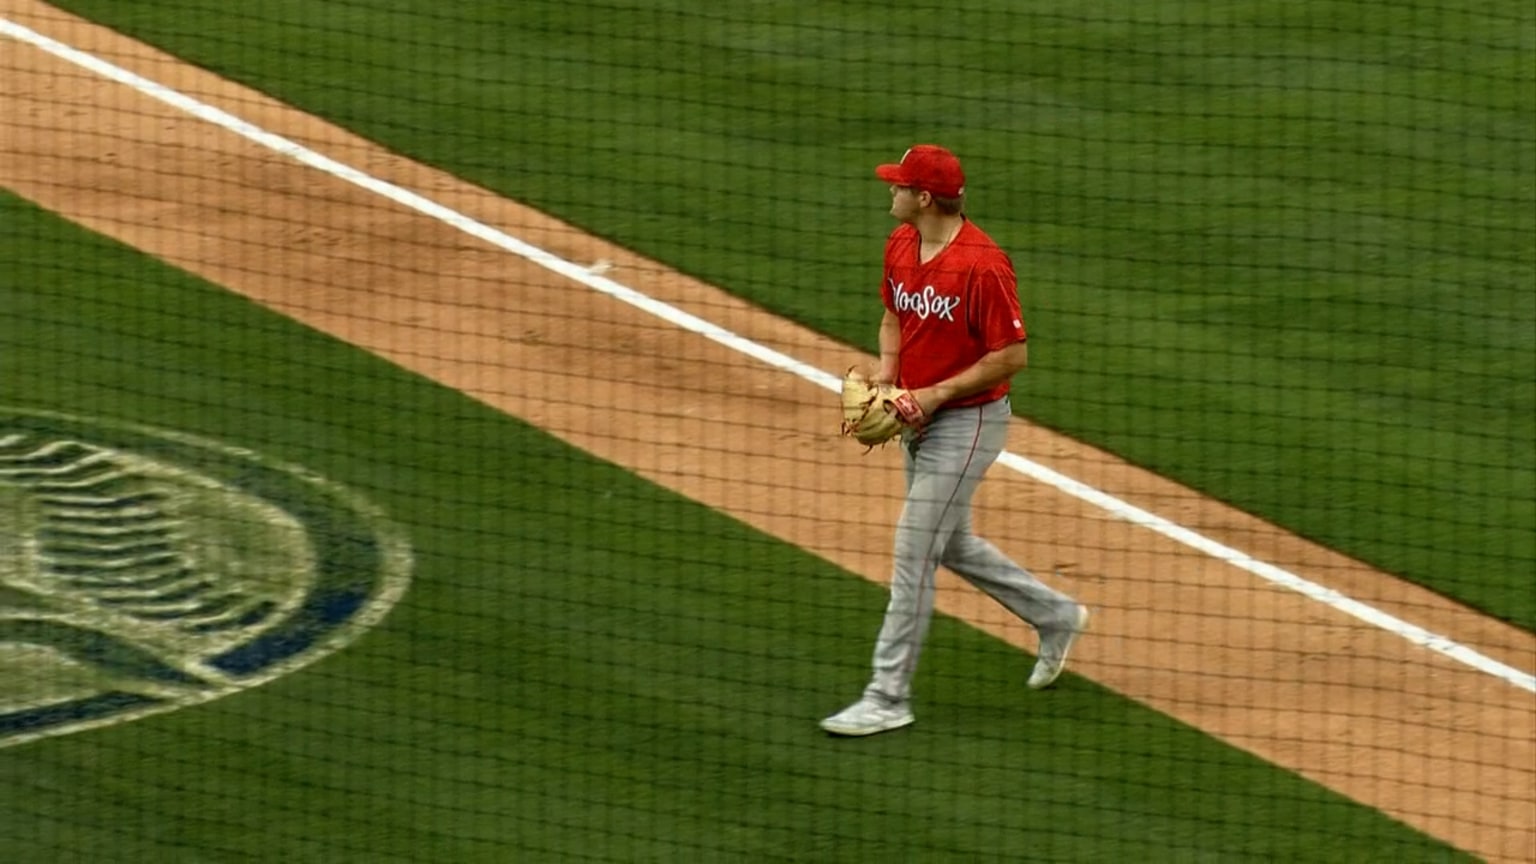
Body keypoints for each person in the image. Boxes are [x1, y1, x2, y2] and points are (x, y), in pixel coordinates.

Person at [820, 144, 1091, 737]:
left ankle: (887, 697)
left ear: (924, 198)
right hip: (916, 415)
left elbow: (1011, 356)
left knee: (913, 553)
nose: (888, 192)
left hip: (967, 424)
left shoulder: (982, 264)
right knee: (952, 544)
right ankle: (1057, 615)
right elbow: (893, 313)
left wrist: (935, 396)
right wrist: (889, 376)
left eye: (898, 186)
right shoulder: (901, 244)